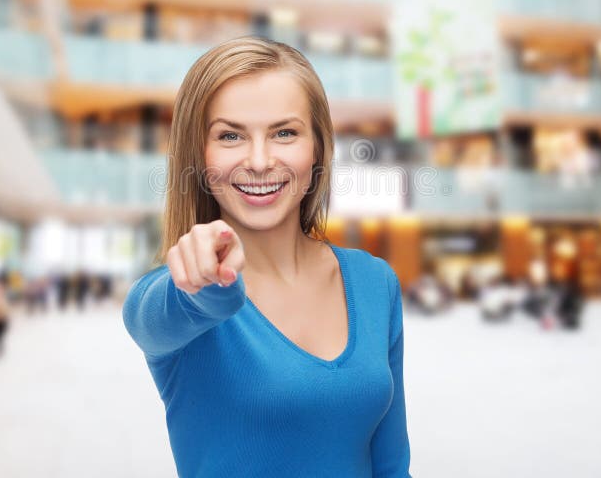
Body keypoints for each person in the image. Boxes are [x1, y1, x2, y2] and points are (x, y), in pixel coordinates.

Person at [123, 37, 412, 477]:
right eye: (230, 135)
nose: (259, 161)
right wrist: (202, 281)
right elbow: (152, 318)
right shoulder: (182, 292)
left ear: (317, 146)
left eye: (284, 133)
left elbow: (392, 467)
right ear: (198, 155)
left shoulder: (375, 282)